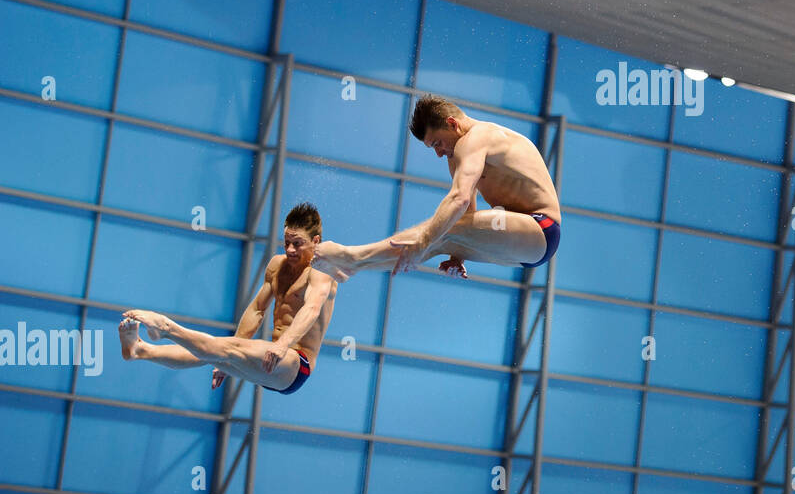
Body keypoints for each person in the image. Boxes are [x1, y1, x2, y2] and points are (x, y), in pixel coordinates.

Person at [312, 95, 560, 281]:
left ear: (453, 123)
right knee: (438, 239)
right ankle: (356, 267)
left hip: (540, 228)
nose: (440, 154)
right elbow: (467, 215)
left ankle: (353, 256)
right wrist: (457, 257)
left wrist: (423, 241)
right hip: (524, 249)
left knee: (435, 234)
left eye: (438, 143)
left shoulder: (477, 138)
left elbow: (459, 199)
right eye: (433, 148)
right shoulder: (456, 156)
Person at [119, 203, 337, 395]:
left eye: (297, 243)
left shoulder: (322, 271)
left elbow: (312, 309)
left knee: (222, 349)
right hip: (271, 358)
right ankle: (140, 351)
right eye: (286, 242)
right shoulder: (276, 266)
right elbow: (257, 310)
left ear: (315, 241)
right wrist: (231, 352)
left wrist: (282, 345)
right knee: (216, 352)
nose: (290, 249)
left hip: (295, 365)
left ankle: (166, 327)